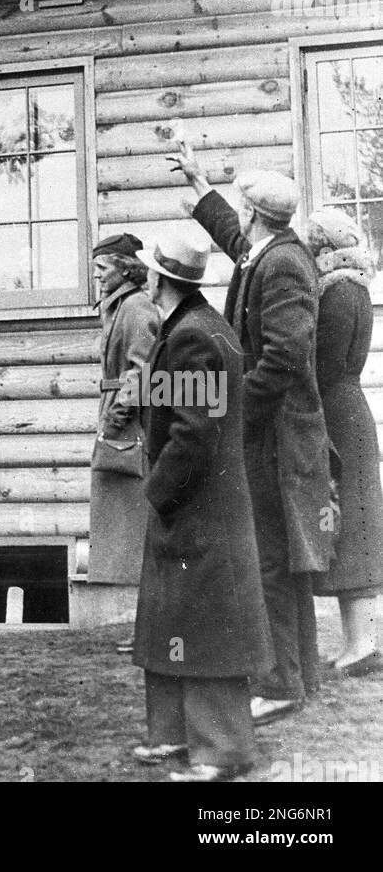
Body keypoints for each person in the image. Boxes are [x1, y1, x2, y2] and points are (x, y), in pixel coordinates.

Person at [169, 143, 336, 725]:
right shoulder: (268, 251)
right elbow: (238, 247)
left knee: (268, 560)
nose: (237, 218)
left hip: (277, 440)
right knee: (279, 560)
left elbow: (285, 358)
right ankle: (297, 677)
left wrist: (233, 412)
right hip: (275, 437)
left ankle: (281, 683)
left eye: (240, 208)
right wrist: (200, 184)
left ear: (257, 214)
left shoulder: (284, 263)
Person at [131, 228, 272, 782]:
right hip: (195, 505)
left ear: (158, 279)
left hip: (199, 508)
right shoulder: (193, 328)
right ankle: (173, 736)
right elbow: (176, 410)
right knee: (173, 617)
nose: (143, 275)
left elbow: (193, 435)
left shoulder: (195, 337)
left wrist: (157, 492)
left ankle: (220, 752)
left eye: (147, 270)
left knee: (208, 626)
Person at [305, 208, 383, 674]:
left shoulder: (335, 295)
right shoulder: (358, 289)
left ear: (323, 250)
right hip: (352, 412)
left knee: (350, 529)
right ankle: (362, 642)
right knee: (357, 526)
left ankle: (361, 646)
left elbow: (323, 366)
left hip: (336, 415)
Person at [88, 234, 159, 605]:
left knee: (135, 528)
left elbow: (141, 372)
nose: (97, 277)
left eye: (103, 269)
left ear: (124, 268)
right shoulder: (119, 306)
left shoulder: (136, 307)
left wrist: (115, 419)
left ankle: (146, 626)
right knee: (125, 528)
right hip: (119, 421)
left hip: (131, 427)